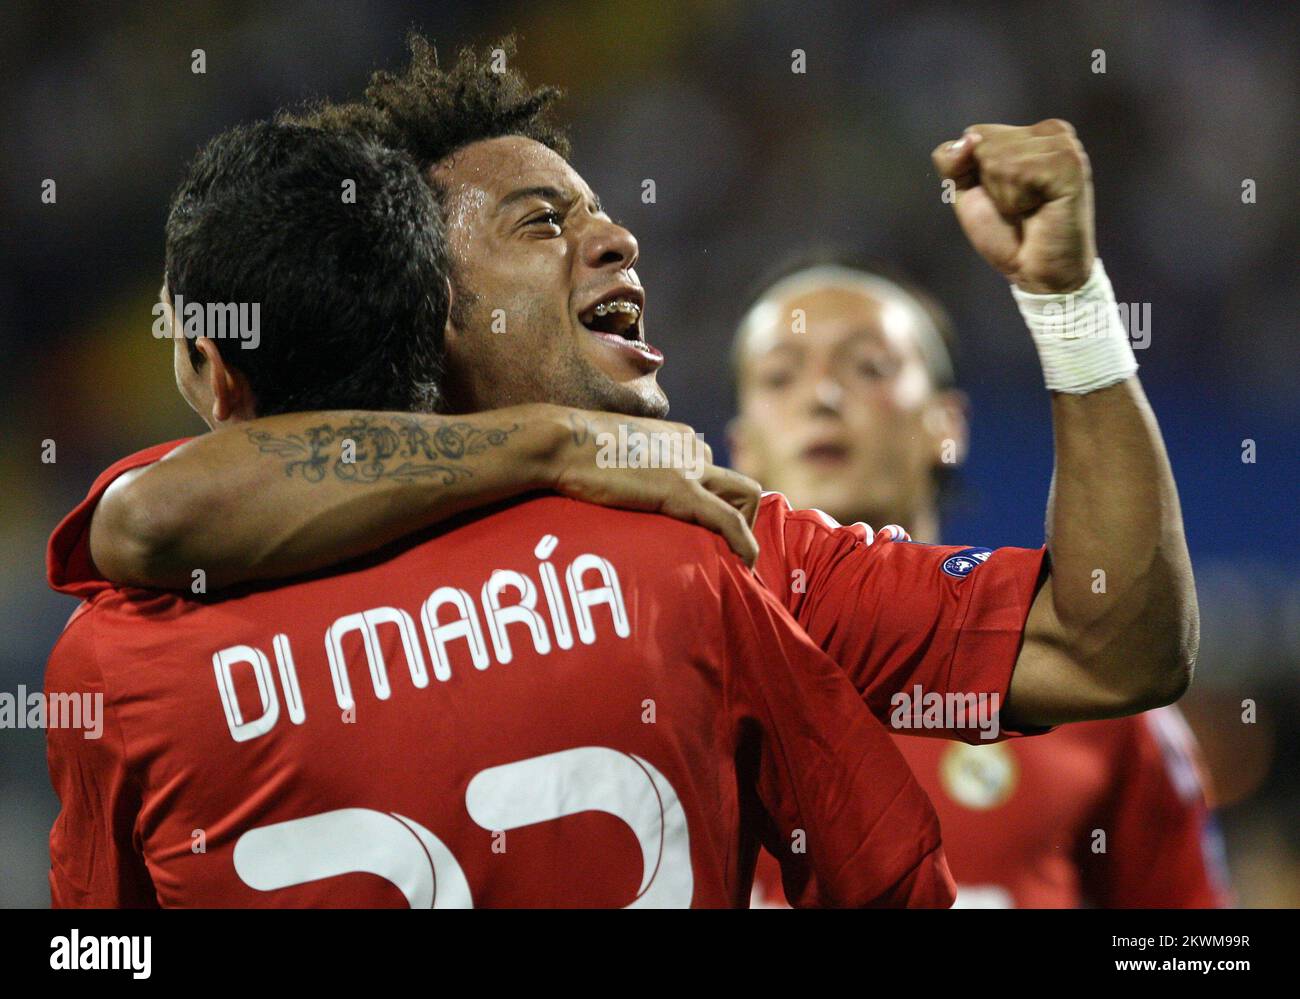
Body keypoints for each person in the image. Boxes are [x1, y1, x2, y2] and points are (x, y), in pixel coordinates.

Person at [49, 37, 1196, 893]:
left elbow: (1111, 646)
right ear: (426, 308)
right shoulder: (693, 555)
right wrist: (555, 442)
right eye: (540, 223)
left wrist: (1069, 301)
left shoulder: (141, 634)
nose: (619, 237)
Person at [728, 253, 1231, 907]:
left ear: (947, 427)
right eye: (780, 376)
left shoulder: (1084, 688)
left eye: (868, 366)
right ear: (741, 449)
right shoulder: (697, 664)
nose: (822, 396)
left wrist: (1070, 301)